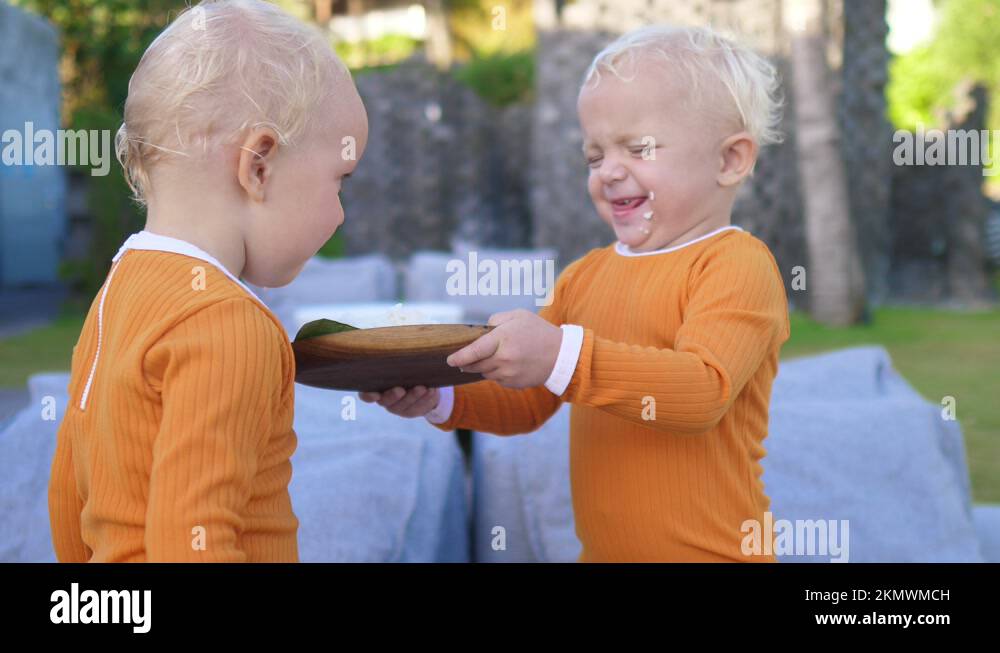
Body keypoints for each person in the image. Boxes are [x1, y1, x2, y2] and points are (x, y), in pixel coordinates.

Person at [362, 25, 790, 562]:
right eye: (594, 156)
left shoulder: (735, 265)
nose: (609, 171)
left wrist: (562, 353)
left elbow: (702, 392)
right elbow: (529, 401)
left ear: (730, 160)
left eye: (639, 148)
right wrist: (441, 395)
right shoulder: (585, 277)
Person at [48, 0, 368, 562]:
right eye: (340, 180)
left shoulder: (118, 293)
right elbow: (192, 544)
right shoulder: (230, 325)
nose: (340, 213)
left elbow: (68, 493)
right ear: (259, 166)